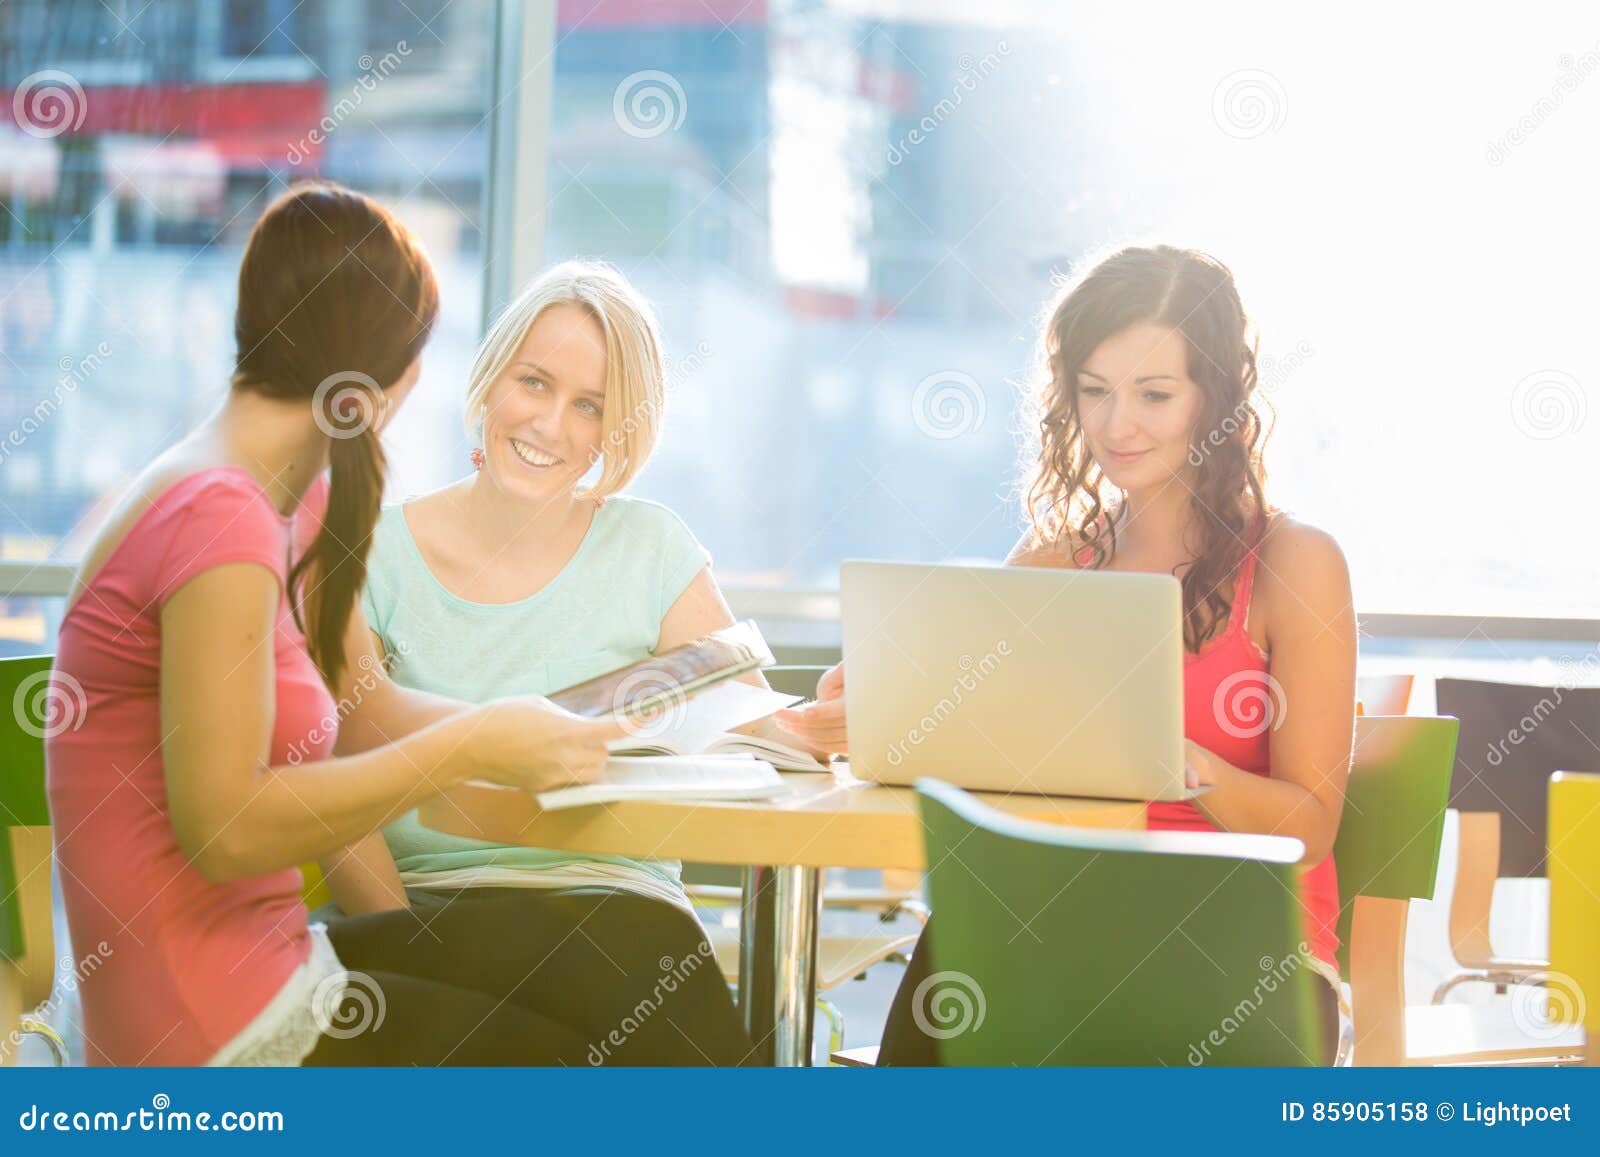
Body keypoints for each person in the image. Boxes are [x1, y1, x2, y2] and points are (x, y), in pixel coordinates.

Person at [46, 182, 622, 1066]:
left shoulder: (284, 499)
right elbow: (225, 824)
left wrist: (526, 730)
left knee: (618, 975)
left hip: (273, 972)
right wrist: (473, 747)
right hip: (215, 1039)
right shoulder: (219, 518)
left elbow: (363, 710)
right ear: (385, 382)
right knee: (590, 1065)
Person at [778, 245, 1357, 1064]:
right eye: (1094, 392)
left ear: (1216, 396)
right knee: (957, 948)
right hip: (1061, 920)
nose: (1118, 425)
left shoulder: (1297, 564)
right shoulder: (1053, 565)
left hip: (1240, 949)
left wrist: (1168, 756)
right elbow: (977, 760)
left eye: (1155, 394)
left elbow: (1310, 826)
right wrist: (883, 711)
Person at [315, 261, 801, 1065]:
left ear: (619, 429)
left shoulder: (650, 548)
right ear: (493, 375)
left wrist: (812, 720)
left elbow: (756, 732)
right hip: (427, 916)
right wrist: (413, 945)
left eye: (589, 406)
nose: (549, 425)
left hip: (619, 913)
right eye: (534, 382)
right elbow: (336, 800)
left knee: (641, 969)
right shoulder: (369, 555)